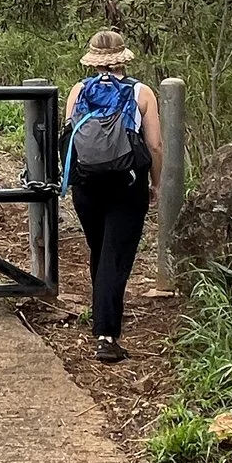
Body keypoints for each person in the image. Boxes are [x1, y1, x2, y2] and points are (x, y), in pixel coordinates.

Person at [63, 28, 160, 363]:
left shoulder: (78, 91)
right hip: (127, 185)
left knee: (102, 250)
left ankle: (103, 312)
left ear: (93, 60)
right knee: (115, 256)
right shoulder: (142, 92)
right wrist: (156, 184)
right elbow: (155, 146)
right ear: (122, 58)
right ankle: (106, 335)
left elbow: (72, 136)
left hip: (86, 184)